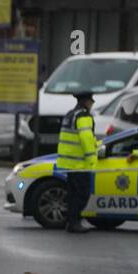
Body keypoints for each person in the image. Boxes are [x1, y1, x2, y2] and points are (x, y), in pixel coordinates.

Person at [55, 90, 98, 233]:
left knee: (73, 194)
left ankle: (71, 222)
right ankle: (74, 222)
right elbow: (86, 139)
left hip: (69, 163)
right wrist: (93, 160)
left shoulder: (70, 115)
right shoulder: (83, 116)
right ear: (85, 102)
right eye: (91, 101)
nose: (92, 104)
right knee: (82, 194)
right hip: (80, 164)